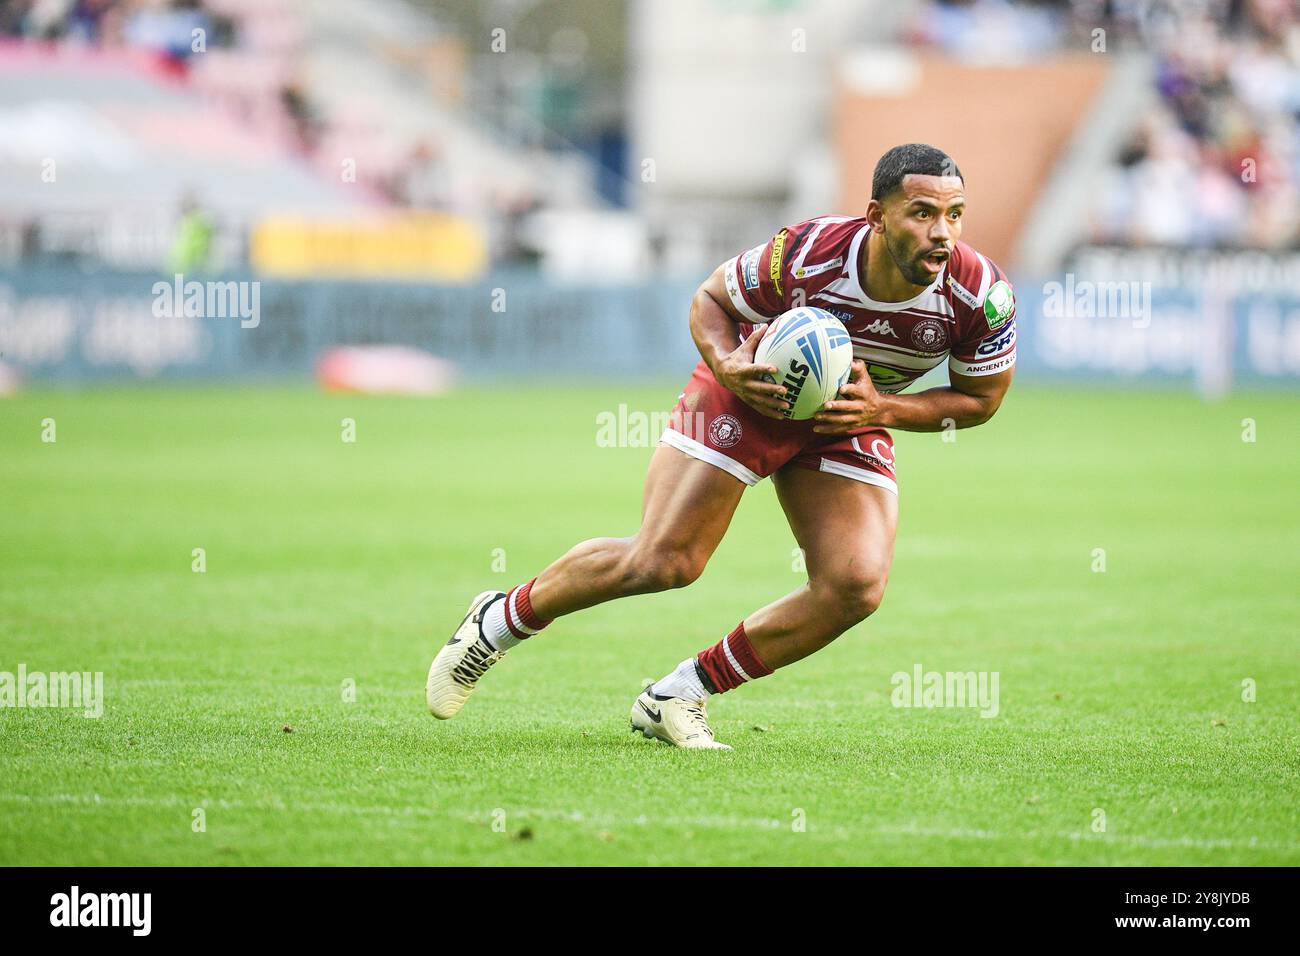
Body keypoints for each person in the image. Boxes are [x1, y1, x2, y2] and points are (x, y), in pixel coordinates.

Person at [426, 143, 1017, 749]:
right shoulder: (811, 253)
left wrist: (883, 409)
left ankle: (679, 693)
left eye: (955, 214)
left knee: (855, 584)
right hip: (752, 391)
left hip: (848, 412)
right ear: (876, 215)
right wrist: (728, 365)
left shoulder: (980, 294)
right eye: (922, 213)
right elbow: (710, 299)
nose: (941, 232)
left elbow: (980, 399)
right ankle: (498, 622)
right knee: (664, 562)